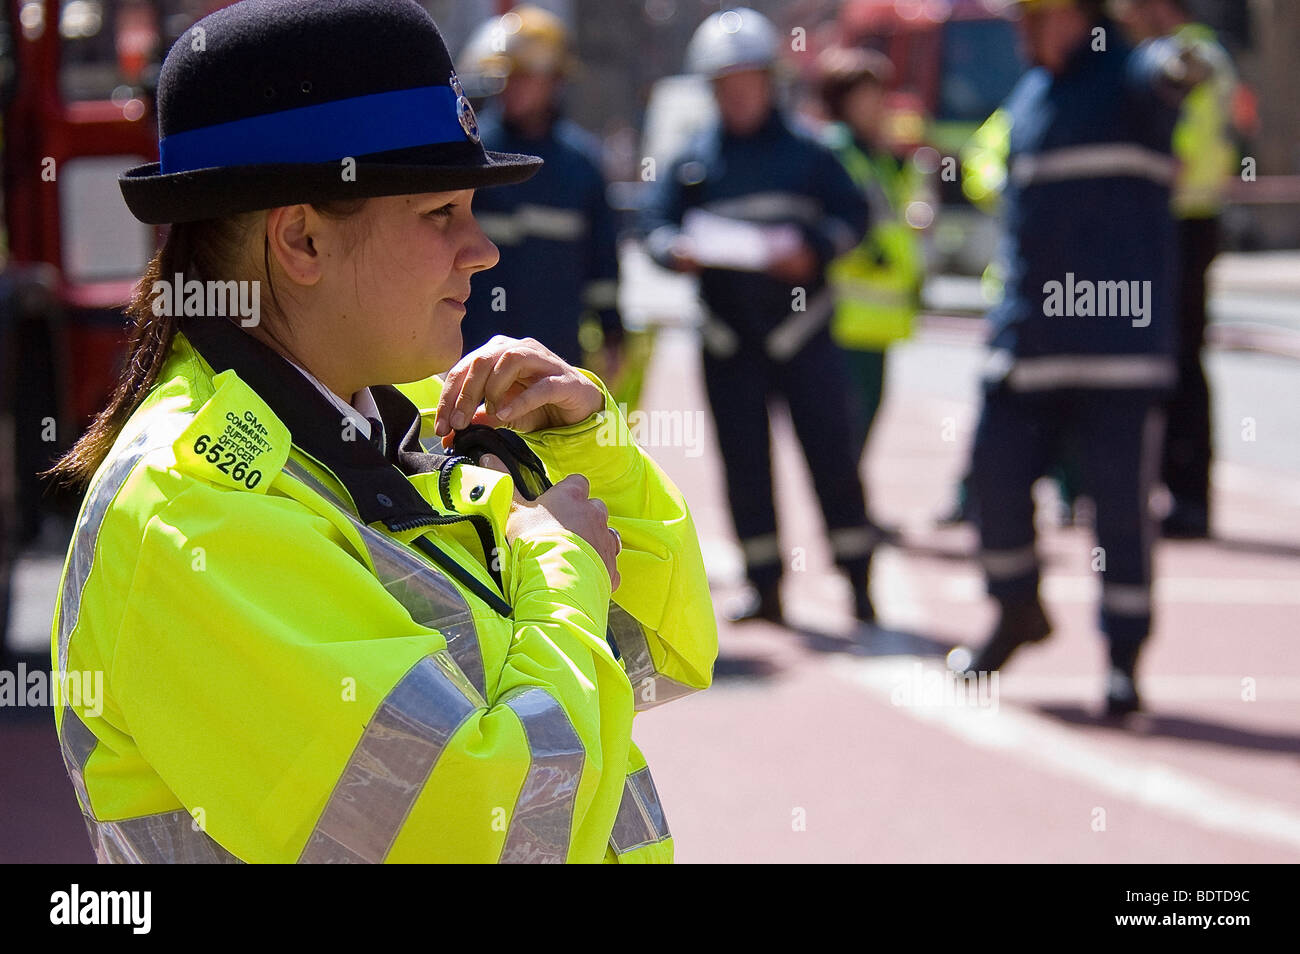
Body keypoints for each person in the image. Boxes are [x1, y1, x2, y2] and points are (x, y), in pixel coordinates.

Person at [44, 0, 716, 864]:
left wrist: (587, 455)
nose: (482, 251)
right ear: (302, 241)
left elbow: (657, 652)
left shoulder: (382, 417)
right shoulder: (192, 511)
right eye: (441, 214)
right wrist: (562, 563)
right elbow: (479, 832)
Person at [952, 0, 1209, 717]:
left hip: (1115, 351)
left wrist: (1180, 56)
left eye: (1033, 15)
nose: (1019, 30)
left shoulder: (1131, 74)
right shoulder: (1032, 94)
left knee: (1120, 514)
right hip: (1029, 343)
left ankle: (1124, 659)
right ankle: (1017, 610)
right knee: (993, 483)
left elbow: (1176, 73)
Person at [642, 7, 879, 626]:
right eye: (725, 83)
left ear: (770, 80)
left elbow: (856, 217)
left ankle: (859, 582)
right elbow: (649, 222)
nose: (738, 94)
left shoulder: (810, 151)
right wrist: (673, 250)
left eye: (747, 80)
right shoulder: (694, 160)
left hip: (804, 336)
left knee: (833, 460)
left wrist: (817, 249)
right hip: (728, 343)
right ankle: (765, 586)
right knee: (744, 468)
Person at [1117, 0, 1238, 539]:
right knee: (1157, 355)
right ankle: (1164, 488)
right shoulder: (1167, 51)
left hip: (1182, 218)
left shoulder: (1189, 56)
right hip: (1169, 218)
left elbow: (1179, 145)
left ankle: (1188, 498)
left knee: (1178, 358)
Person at [456, 5, 624, 371]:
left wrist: (612, 331)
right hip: (473, 350)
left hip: (555, 353)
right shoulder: (470, 155)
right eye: (507, 76)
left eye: (525, 76)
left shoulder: (581, 166)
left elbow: (602, 261)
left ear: (555, 80)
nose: (512, 88)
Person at [816, 46, 924, 462]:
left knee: (863, 419)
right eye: (866, 95)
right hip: (846, 316)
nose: (878, 105)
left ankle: (855, 512)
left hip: (875, 317)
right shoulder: (835, 152)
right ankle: (848, 517)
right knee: (846, 424)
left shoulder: (876, 155)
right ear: (841, 100)